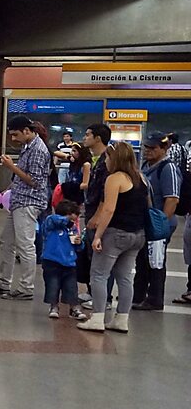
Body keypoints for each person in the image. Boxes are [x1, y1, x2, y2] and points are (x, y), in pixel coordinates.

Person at [78, 142, 147, 333]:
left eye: (107, 157)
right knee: (125, 278)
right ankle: (122, 319)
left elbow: (109, 209)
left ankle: (98, 318)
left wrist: (97, 236)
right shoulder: (141, 178)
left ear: (114, 158)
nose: (105, 161)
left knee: (99, 275)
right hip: (138, 235)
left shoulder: (114, 178)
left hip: (116, 233)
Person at [0, 115, 51, 301]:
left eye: (16, 134)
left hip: (28, 203)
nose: (13, 139)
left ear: (27, 131)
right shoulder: (27, 147)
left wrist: (11, 167)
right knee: (6, 241)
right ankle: (4, 282)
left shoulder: (38, 150)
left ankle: (26, 287)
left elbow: (36, 182)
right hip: (18, 201)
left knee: (25, 245)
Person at [133, 132, 181, 311]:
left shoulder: (168, 168)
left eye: (153, 148)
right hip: (146, 222)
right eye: (146, 147)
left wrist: (160, 225)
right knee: (143, 260)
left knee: (156, 262)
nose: (148, 151)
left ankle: (155, 299)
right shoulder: (147, 166)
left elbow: (172, 199)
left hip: (159, 224)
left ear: (164, 148)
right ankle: (139, 295)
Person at [79, 124, 112, 302]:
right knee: (92, 256)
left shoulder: (107, 161)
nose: (84, 138)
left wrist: (98, 216)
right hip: (91, 210)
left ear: (98, 137)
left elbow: (105, 193)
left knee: (102, 259)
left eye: (87, 134)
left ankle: (103, 298)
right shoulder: (96, 160)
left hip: (99, 216)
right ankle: (94, 292)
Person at [40, 200, 88, 321]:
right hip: (51, 260)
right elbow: (53, 219)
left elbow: (79, 247)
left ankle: (74, 307)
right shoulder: (51, 223)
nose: (73, 222)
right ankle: (54, 306)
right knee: (52, 285)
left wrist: (79, 243)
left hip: (69, 262)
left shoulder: (73, 229)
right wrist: (67, 221)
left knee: (71, 287)